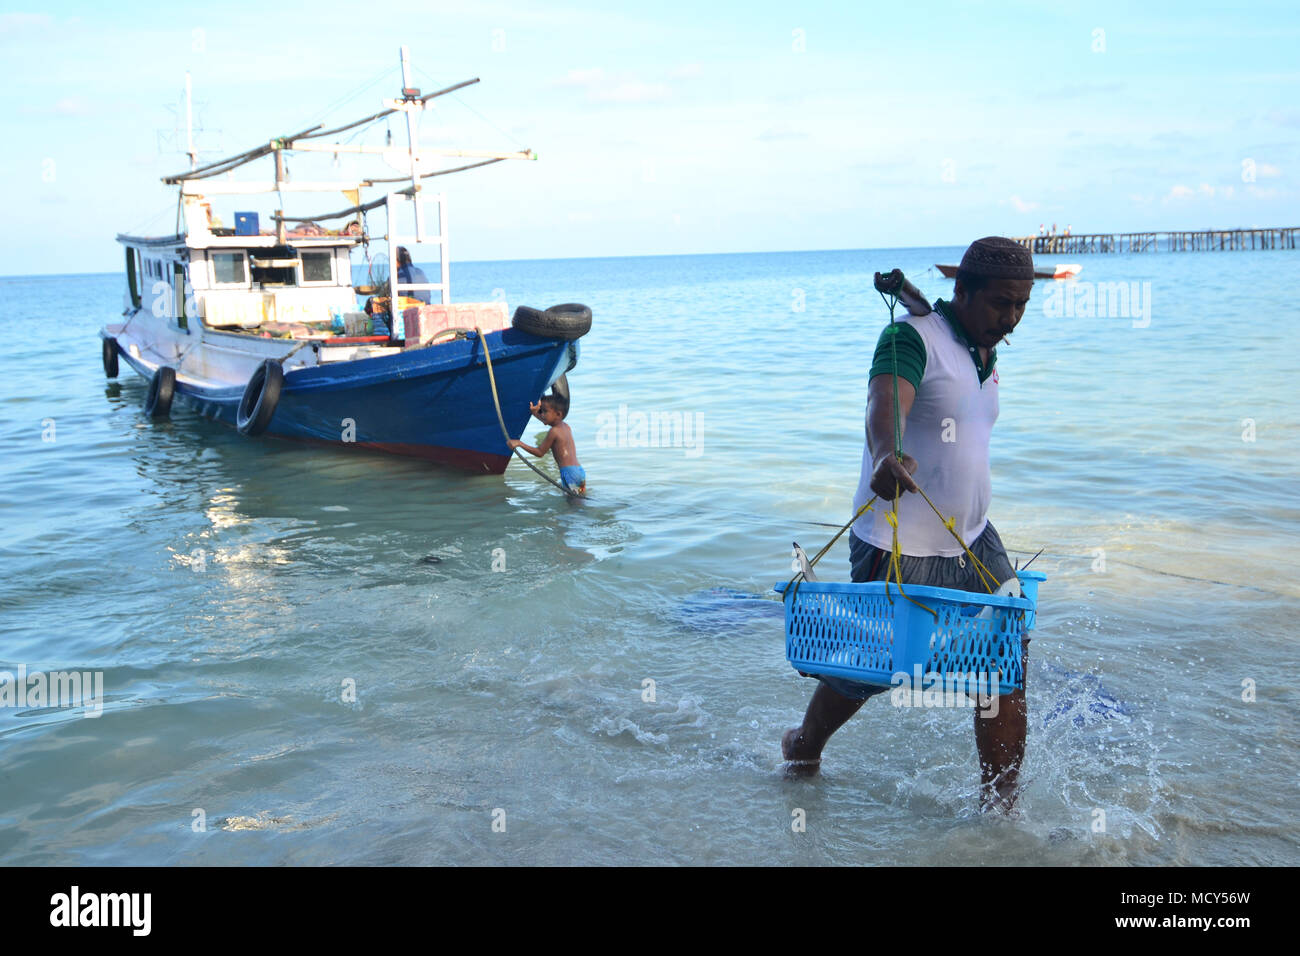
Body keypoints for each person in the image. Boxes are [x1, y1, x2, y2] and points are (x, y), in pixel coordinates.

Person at [781, 236, 1035, 812]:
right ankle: (804, 746)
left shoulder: (984, 352)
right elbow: (885, 403)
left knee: (1006, 664)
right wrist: (886, 453)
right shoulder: (909, 337)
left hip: (974, 537)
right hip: (899, 540)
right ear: (961, 291)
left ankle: (1000, 810)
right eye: (1000, 303)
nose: (1012, 317)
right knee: (871, 671)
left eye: (1021, 303)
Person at [508, 395, 586, 494]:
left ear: (558, 414)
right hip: (578, 471)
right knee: (579, 499)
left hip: (569, 473)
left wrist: (519, 443)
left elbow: (540, 452)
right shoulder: (566, 427)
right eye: (542, 412)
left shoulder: (554, 432)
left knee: (574, 504)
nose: (542, 415)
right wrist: (534, 413)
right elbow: (547, 420)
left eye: (545, 411)